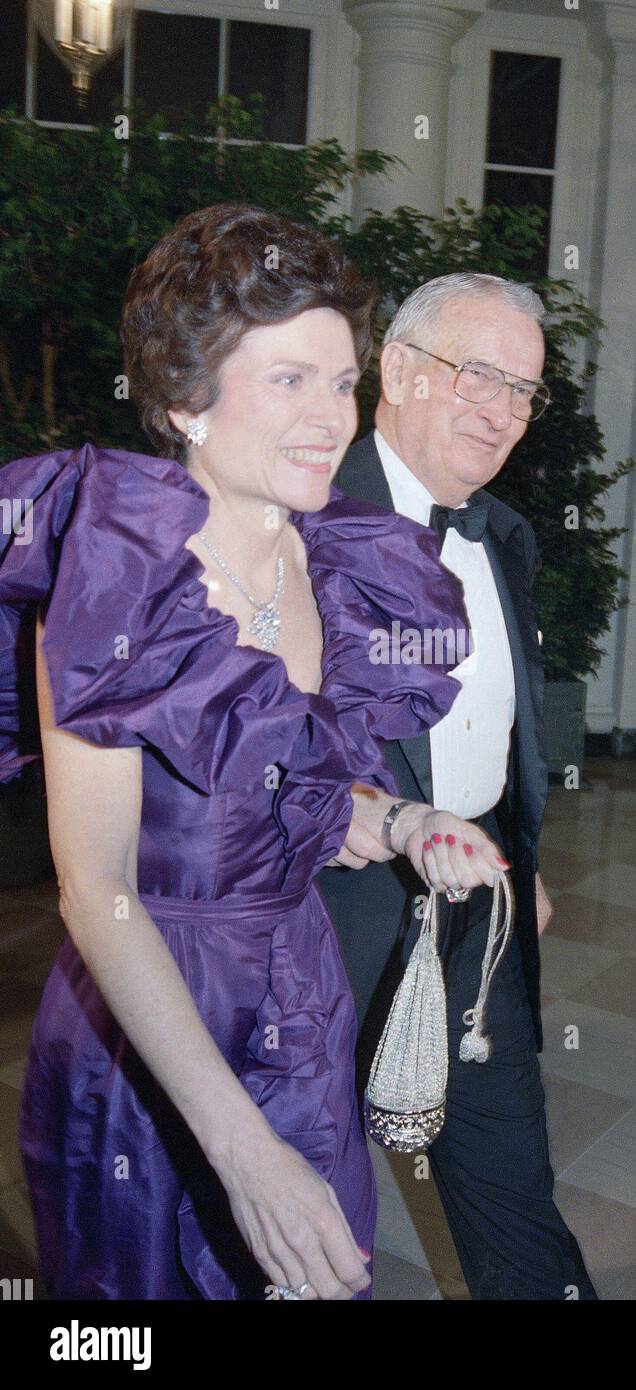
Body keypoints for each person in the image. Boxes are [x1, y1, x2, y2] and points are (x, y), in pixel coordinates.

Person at [0, 207, 508, 1301]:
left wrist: (399, 822)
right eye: (288, 381)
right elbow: (99, 892)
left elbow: (290, 795)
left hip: (301, 998)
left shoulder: (335, 565)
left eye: (340, 382)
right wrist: (238, 1150)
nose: (331, 417)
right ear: (185, 399)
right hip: (148, 1030)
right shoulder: (115, 579)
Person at [319, 272, 599, 1300]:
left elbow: (495, 727)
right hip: (331, 909)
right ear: (397, 369)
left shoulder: (503, 536)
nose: (504, 411)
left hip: (478, 898)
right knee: (308, 1181)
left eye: (523, 392)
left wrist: (520, 860)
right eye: (480, 375)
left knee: (509, 1175)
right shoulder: (300, 519)